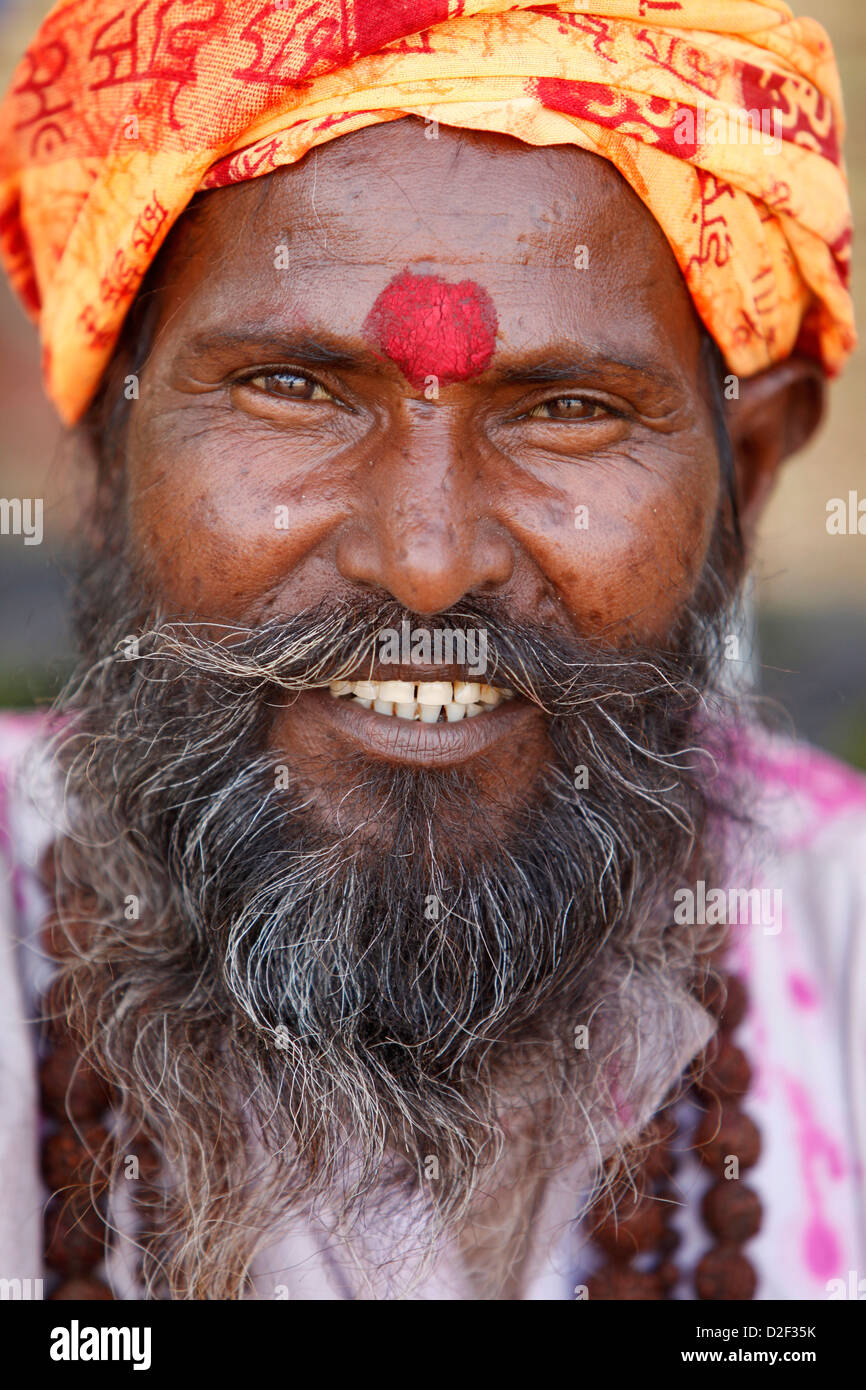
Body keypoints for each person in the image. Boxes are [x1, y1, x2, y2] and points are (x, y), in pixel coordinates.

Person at [0, 0, 862, 1301]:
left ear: (742, 473)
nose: (425, 557)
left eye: (568, 409)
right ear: (109, 457)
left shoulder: (837, 934)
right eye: (289, 387)